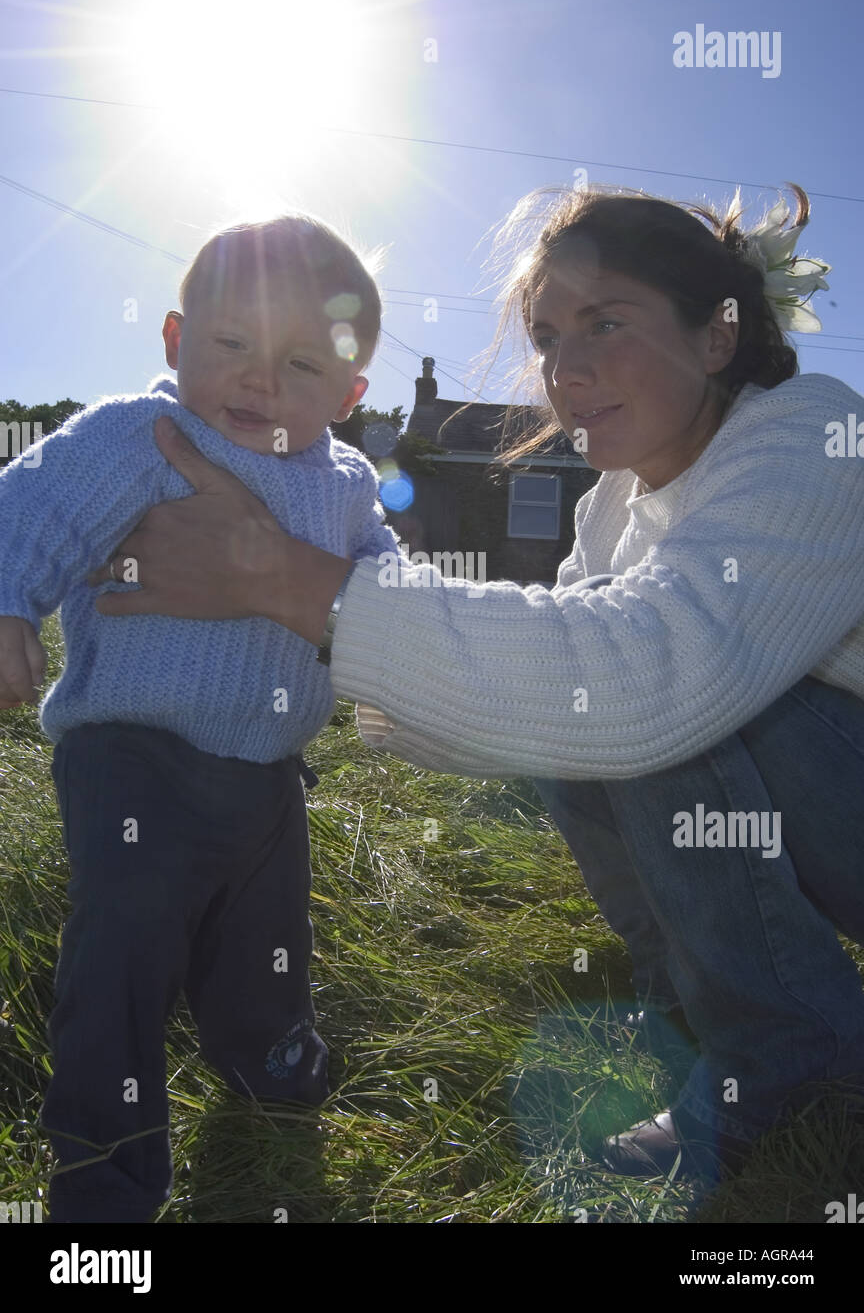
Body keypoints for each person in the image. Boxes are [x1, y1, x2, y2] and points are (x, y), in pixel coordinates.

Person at [84, 183, 864, 1188]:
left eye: (606, 324)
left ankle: (792, 1062)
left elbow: (654, 675)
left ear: (718, 336)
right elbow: (549, 694)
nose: (565, 372)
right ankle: (706, 1007)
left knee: (649, 709)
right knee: (570, 729)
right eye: (546, 337)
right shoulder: (613, 506)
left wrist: (282, 578)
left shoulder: (814, 435)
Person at [0, 213, 402, 1222]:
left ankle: (272, 1064)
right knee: (126, 939)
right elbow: (33, 503)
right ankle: (104, 1179)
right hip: (134, 751)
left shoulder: (349, 487)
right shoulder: (141, 434)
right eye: (231, 347)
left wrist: (409, 655)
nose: (260, 383)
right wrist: (9, 599)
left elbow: (393, 588)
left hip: (269, 768)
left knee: (264, 942)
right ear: (176, 342)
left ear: (351, 398)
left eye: (301, 364)